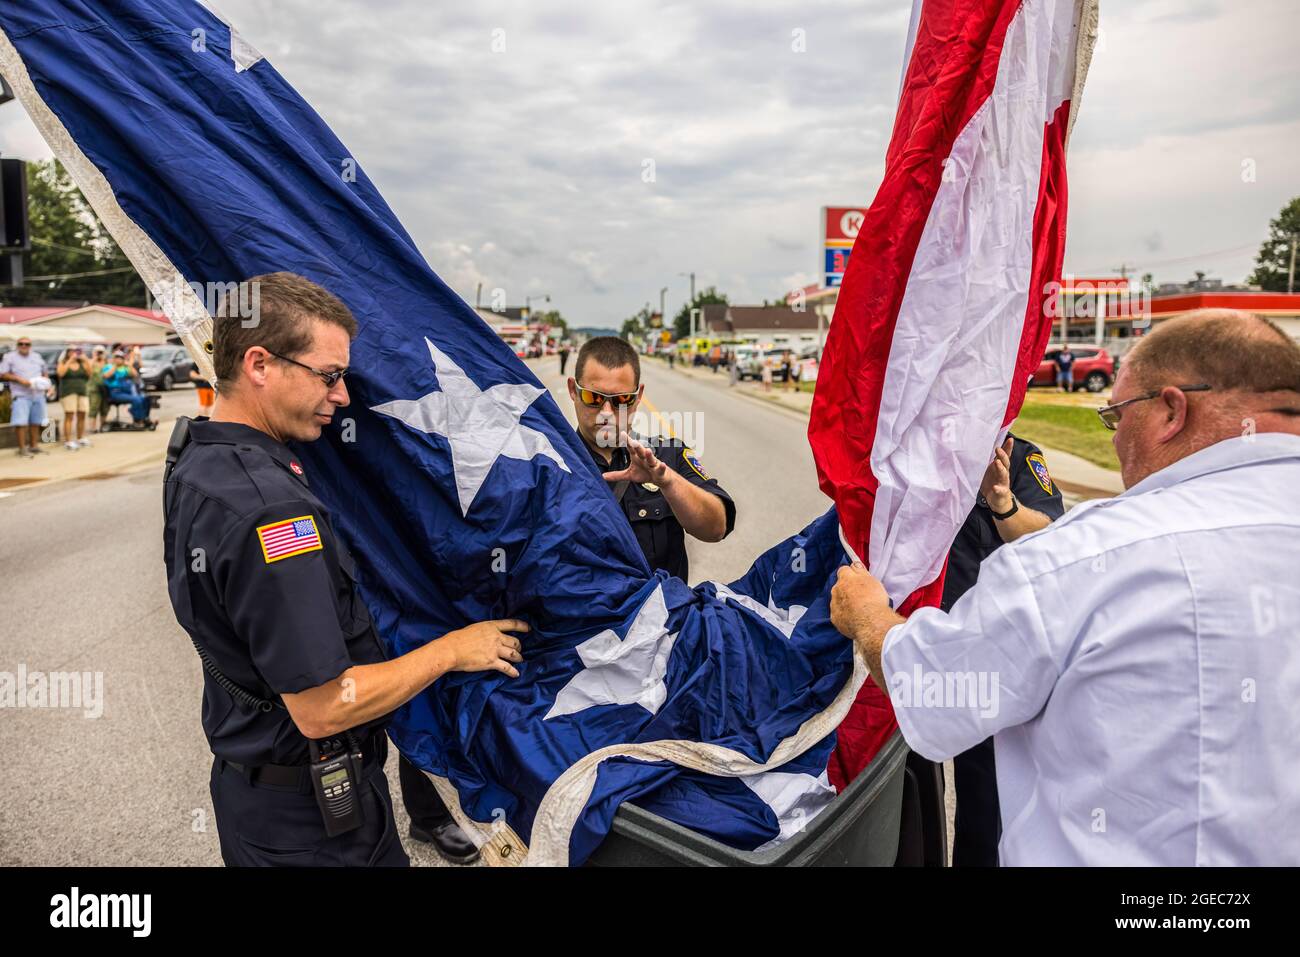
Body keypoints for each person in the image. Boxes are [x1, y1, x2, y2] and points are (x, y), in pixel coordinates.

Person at [829, 308, 1300, 865]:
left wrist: (867, 617)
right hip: (994, 653)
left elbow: (933, 686)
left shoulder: (1085, 551)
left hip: (977, 660)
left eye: (1116, 415)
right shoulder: (903, 460)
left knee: (986, 802)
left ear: (1172, 410)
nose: (1116, 435)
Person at [163, 271, 527, 866]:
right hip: (314, 826)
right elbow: (324, 706)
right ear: (260, 364)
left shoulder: (200, 457)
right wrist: (454, 650)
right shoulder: (274, 512)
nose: (342, 397)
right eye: (329, 376)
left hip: (259, 798)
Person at [942, 433, 1063, 866]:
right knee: (902, 790)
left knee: (984, 800)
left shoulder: (1017, 454)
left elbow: (1048, 539)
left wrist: (1001, 500)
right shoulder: (907, 445)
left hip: (983, 651)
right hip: (906, 640)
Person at [566, 336, 735, 581]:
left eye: (621, 400)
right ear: (573, 390)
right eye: (594, 398)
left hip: (661, 614)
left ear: (638, 396)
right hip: (588, 616)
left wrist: (667, 482)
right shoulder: (552, 464)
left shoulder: (666, 455)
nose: (606, 413)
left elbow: (716, 528)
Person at [1, 336, 50, 457]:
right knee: (21, 422)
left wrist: (45, 381)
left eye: (27, 344)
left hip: (37, 393)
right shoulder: (10, 357)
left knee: (36, 421)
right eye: (21, 344)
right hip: (21, 394)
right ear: (17, 345)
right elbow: (3, 374)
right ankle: (22, 448)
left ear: (30, 345)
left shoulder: (36, 356)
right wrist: (19, 379)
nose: (24, 346)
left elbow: (45, 370)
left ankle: (34, 446)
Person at [102, 350, 154, 426]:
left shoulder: (125, 368)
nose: (118, 359)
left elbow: (135, 374)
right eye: (116, 357)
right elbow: (106, 376)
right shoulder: (108, 367)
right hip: (115, 393)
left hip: (126, 392)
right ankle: (137, 420)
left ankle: (145, 418)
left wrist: (128, 365)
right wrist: (115, 366)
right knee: (137, 400)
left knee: (145, 399)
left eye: (120, 358)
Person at [57, 346, 95, 450]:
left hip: (82, 392)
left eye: (77, 351)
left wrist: (86, 360)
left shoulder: (82, 363)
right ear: (67, 352)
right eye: (72, 351)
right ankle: (68, 441)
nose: (75, 353)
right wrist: (70, 361)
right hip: (68, 393)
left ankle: (80, 438)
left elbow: (90, 374)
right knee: (69, 415)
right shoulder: (63, 362)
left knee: (82, 415)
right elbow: (61, 373)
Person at [87, 345, 109, 433]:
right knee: (93, 408)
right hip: (94, 389)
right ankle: (92, 428)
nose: (99, 354)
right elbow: (87, 370)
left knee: (105, 408)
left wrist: (103, 359)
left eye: (101, 352)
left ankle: (103, 426)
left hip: (105, 389)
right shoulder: (90, 362)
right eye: (97, 352)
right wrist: (95, 358)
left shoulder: (106, 363)